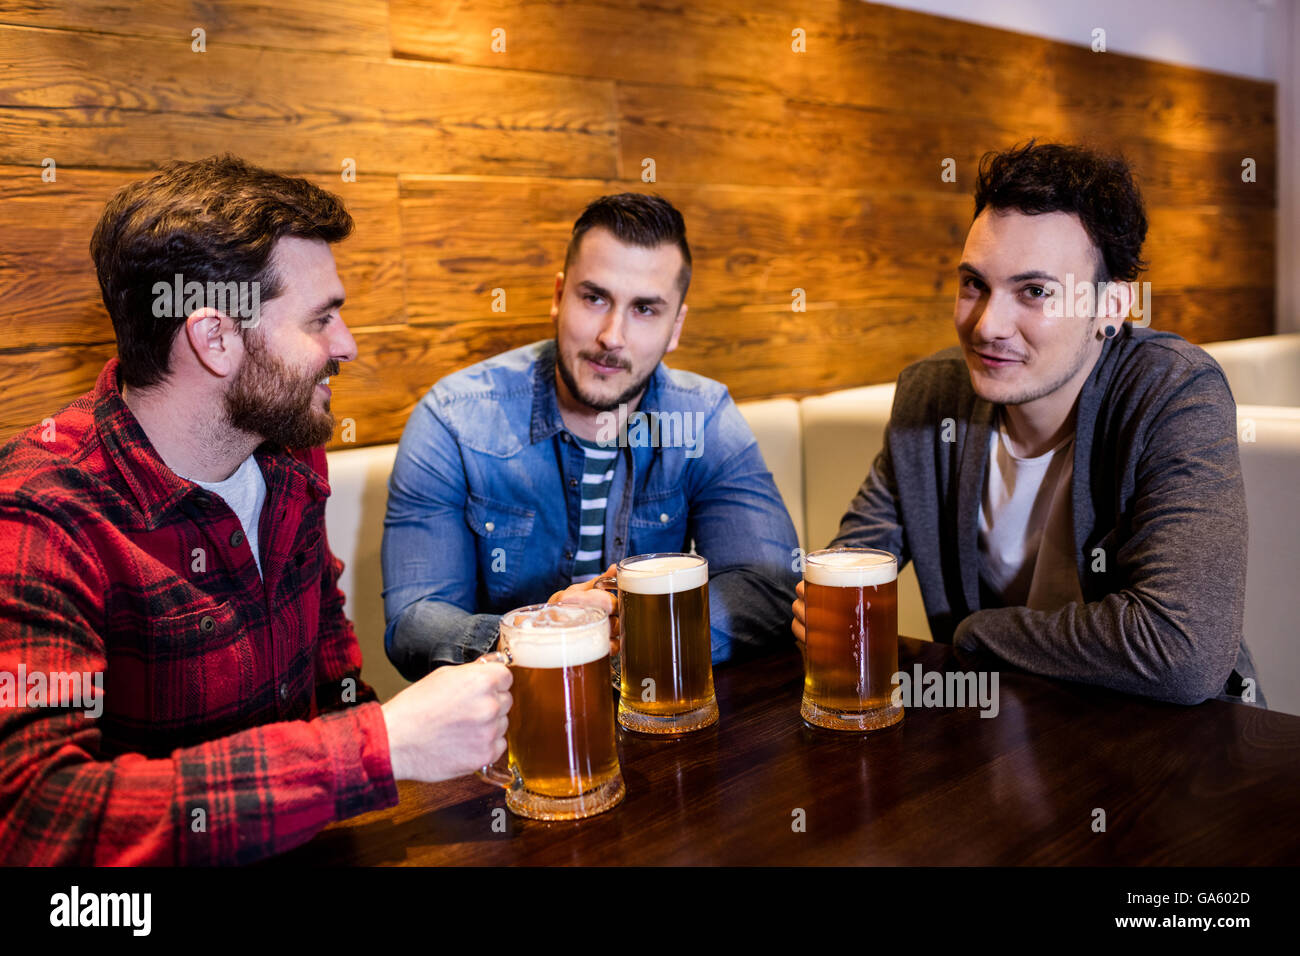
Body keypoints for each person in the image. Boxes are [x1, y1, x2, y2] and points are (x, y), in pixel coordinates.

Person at [0, 155, 512, 865]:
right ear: (214, 339)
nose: (347, 345)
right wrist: (379, 747)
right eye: (321, 319)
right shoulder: (43, 515)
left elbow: (331, 678)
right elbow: (37, 817)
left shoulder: (290, 452)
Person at [793, 141, 1263, 707]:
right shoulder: (931, 396)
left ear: (1112, 306)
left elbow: (1181, 652)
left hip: (1170, 750)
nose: (989, 325)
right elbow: (848, 571)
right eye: (975, 284)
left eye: (1034, 291)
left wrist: (980, 634)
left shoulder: (1172, 393)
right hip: (1001, 738)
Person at [382, 193, 799, 679]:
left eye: (645, 309)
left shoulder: (702, 418)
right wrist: (546, 632)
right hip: (509, 724)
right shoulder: (454, 420)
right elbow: (413, 622)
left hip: (660, 717)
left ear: (676, 327)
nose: (612, 336)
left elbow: (771, 587)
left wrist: (637, 630)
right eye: (594, 297)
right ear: (559, 296)